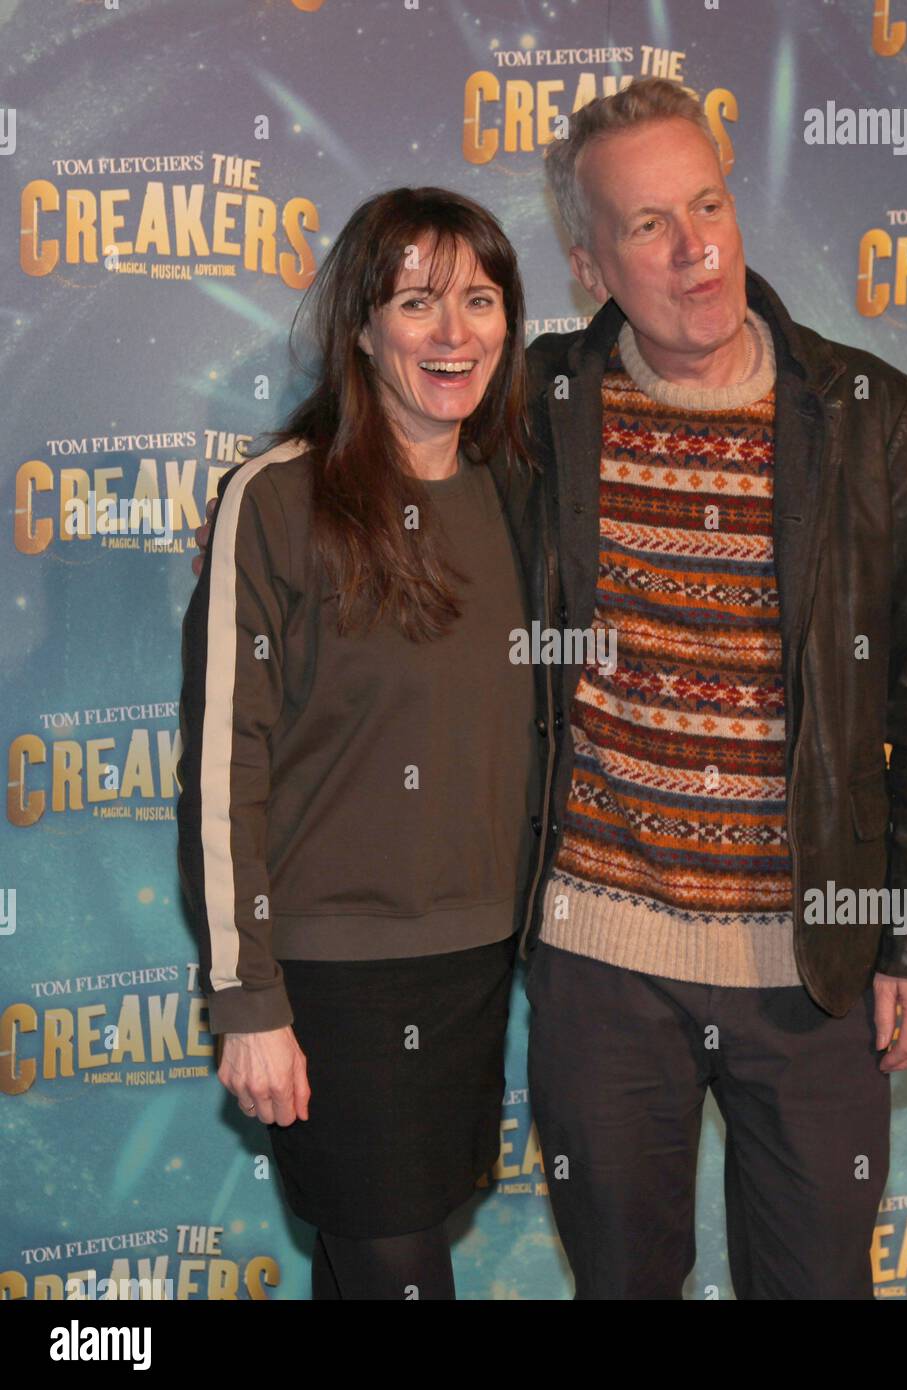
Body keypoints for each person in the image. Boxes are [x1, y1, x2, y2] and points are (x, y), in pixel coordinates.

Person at [506, 77, 907, 1298]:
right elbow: (385, 434)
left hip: (814, 968)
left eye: (708, 204)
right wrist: (263, 501)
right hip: (603, 963)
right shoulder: (537, 406)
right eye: (648, 224)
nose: (697, 248)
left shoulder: (870, 413)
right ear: (589, 264)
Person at [175, 187, 538, 1300]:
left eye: (480, 299)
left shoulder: (523, 498)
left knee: (368, 1257)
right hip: (331, 977)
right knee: (396, 1260)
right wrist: (249, 999)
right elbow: (222, 768)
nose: (453, 332)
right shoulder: (279, 498)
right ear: (363, 327)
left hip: (477, 960)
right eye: (417, 302)